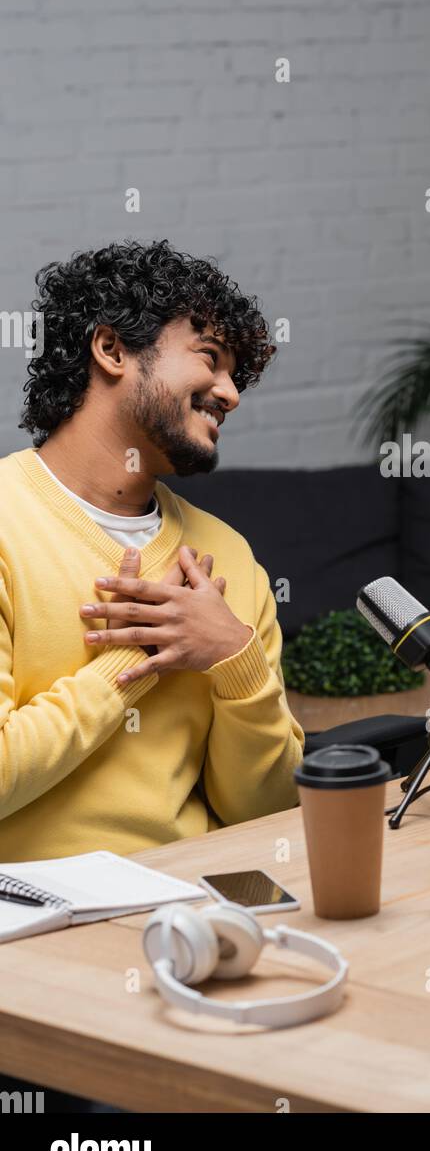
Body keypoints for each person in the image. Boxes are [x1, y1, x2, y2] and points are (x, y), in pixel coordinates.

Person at [0, 238, 304, 863]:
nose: (232, 393)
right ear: (112, 349)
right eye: (210, 358)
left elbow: (269, 812)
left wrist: (234, 657)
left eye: (236, 375)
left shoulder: (229, 557)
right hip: (29, 922)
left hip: (193, 895)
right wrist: (134, 659)